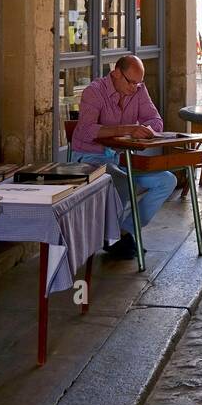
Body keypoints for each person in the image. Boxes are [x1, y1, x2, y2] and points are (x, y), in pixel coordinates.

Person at [69, 54, 176, 258]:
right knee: (121, 181)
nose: (135, 87)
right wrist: (128, 129)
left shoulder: (138, 90)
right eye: (131, 82)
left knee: (166, 181)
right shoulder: (94, 92)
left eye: (139, 83)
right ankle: (114, 237)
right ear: (116, 73)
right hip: (90, 158)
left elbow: (155, 120)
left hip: (123, 159)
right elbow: (85, 131)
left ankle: (123, 231)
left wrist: (148, 129)